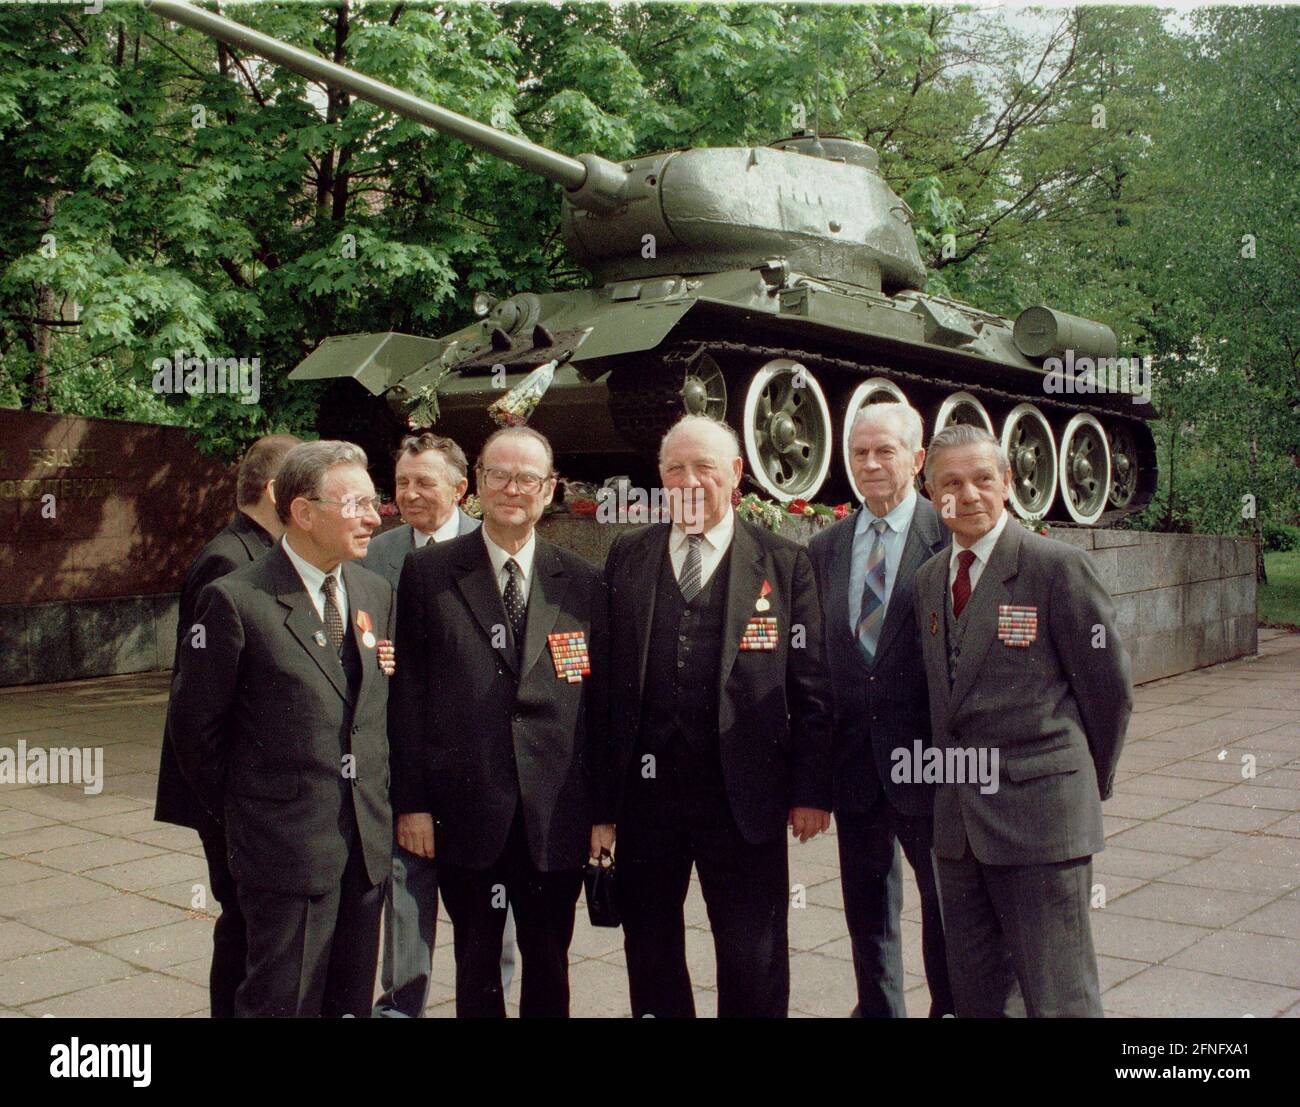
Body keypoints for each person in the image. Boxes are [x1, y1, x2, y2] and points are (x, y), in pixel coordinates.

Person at [604, 414, 833, 1018]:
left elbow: (811, 686)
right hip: (647, 799)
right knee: (649, 948)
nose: (688, 480)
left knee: (752, 954)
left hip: (743, 798)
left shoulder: (785, 563)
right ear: (659, 476)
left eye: (703, 466)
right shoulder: (628, 554)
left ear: (734, 474)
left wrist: (811, 790)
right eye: (674, 468)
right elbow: (607, 691)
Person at [388, 426, 609, 1018]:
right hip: (465, 813)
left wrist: (603, 815)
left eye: (528, 478)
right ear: (478, 483)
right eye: (500, 475)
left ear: (550, 488)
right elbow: (407, 698)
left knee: (549, 963)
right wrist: (411, 805)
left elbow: (602, 710)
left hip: (555, 817)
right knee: (476, 965)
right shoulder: (429, 575)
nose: (514, 488)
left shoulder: (584, 583)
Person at [168, 440, 395, 1018]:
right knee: (281, 1004)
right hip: (285, 853)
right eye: (357, 505)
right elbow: (196, 734)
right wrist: (255, 817)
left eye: (375, 503)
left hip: (363, 852)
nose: (374, 517)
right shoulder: (237, 599)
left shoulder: (372, 591)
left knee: (350, 1004)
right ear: (303, 512)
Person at [914, 423, 1132, 1017]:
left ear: (1008, 483)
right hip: (959, 830)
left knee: (1058, 997)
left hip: (1042, 822)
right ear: (933, 495)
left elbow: (1109, 692)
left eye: (984, 478)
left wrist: (1083, 782)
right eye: (951, 483)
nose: (970, 494)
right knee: (979, 997)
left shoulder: (1055, 568)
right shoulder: (930, 579)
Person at [807, 403, 953, 1018]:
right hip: (854, 766)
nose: (869, 463)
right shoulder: (824, 547)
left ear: (917, 460)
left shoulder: (949, 537)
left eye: (885, 451)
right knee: (867, 911)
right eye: (859, 451)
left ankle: (950, 1008)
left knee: (946, 909)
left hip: (930, 765)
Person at [154, 432, 300, 1019]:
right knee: (243, 924)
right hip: (231, 798)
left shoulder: (255, 550)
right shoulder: (231, 559)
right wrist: (227, 799)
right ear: (274, 491)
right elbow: (199, 708)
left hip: (241, 794)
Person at [361, 431, 497, 1019]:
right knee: (407, 893)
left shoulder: (495, 544)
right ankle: (399, 1008)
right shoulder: (375, 552)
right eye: (402, 483)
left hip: (482, 761)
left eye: (425, 482)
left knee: (492, 909)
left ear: (462, 489)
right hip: (404, 749)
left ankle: (493, 1001)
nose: (410, 494)